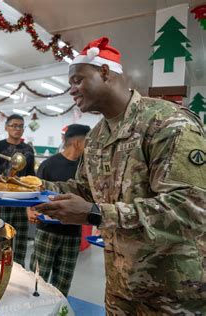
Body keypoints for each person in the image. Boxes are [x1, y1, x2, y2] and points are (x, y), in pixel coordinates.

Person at [32, 37, 205, 314]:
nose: (72, 90)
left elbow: (192, 208)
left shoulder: (167, 123)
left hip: (172, 293)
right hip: (121, 287)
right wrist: (31, 188)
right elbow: (86, 190)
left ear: (104, 72)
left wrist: (96, 213)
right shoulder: (99, 135)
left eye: (77, 80)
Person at [27, 124, 90, 297]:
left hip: (73, 232)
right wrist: (30, 211)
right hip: (48, 230)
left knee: (63, 282)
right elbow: (35, 189)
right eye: (88, 141)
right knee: (37, 278)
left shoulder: (85, 169)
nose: (91, 145)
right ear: (77, 142)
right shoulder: (49, 165)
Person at [0, 114, 35, 265]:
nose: (17, 129)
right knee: (0, 238)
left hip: (21, 201)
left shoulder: (28, 149)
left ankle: (18, 271)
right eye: (14, 125)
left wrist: (31, 205)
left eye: (20, 126)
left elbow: (31, 177)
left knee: (19, 243)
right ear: (6, 127)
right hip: (0, 200)